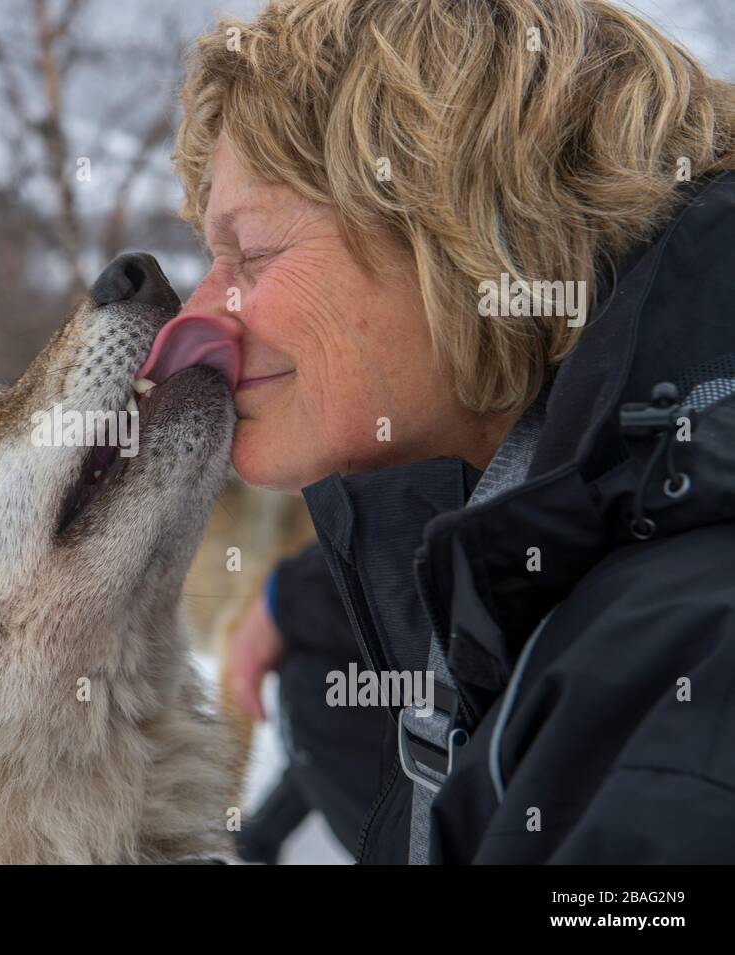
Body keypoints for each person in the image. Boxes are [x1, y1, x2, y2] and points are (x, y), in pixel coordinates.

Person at [172, 0, 735, 862]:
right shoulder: (536, 550)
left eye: (249, 255)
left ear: (464, 232)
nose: (205, 317)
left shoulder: (680, 675)